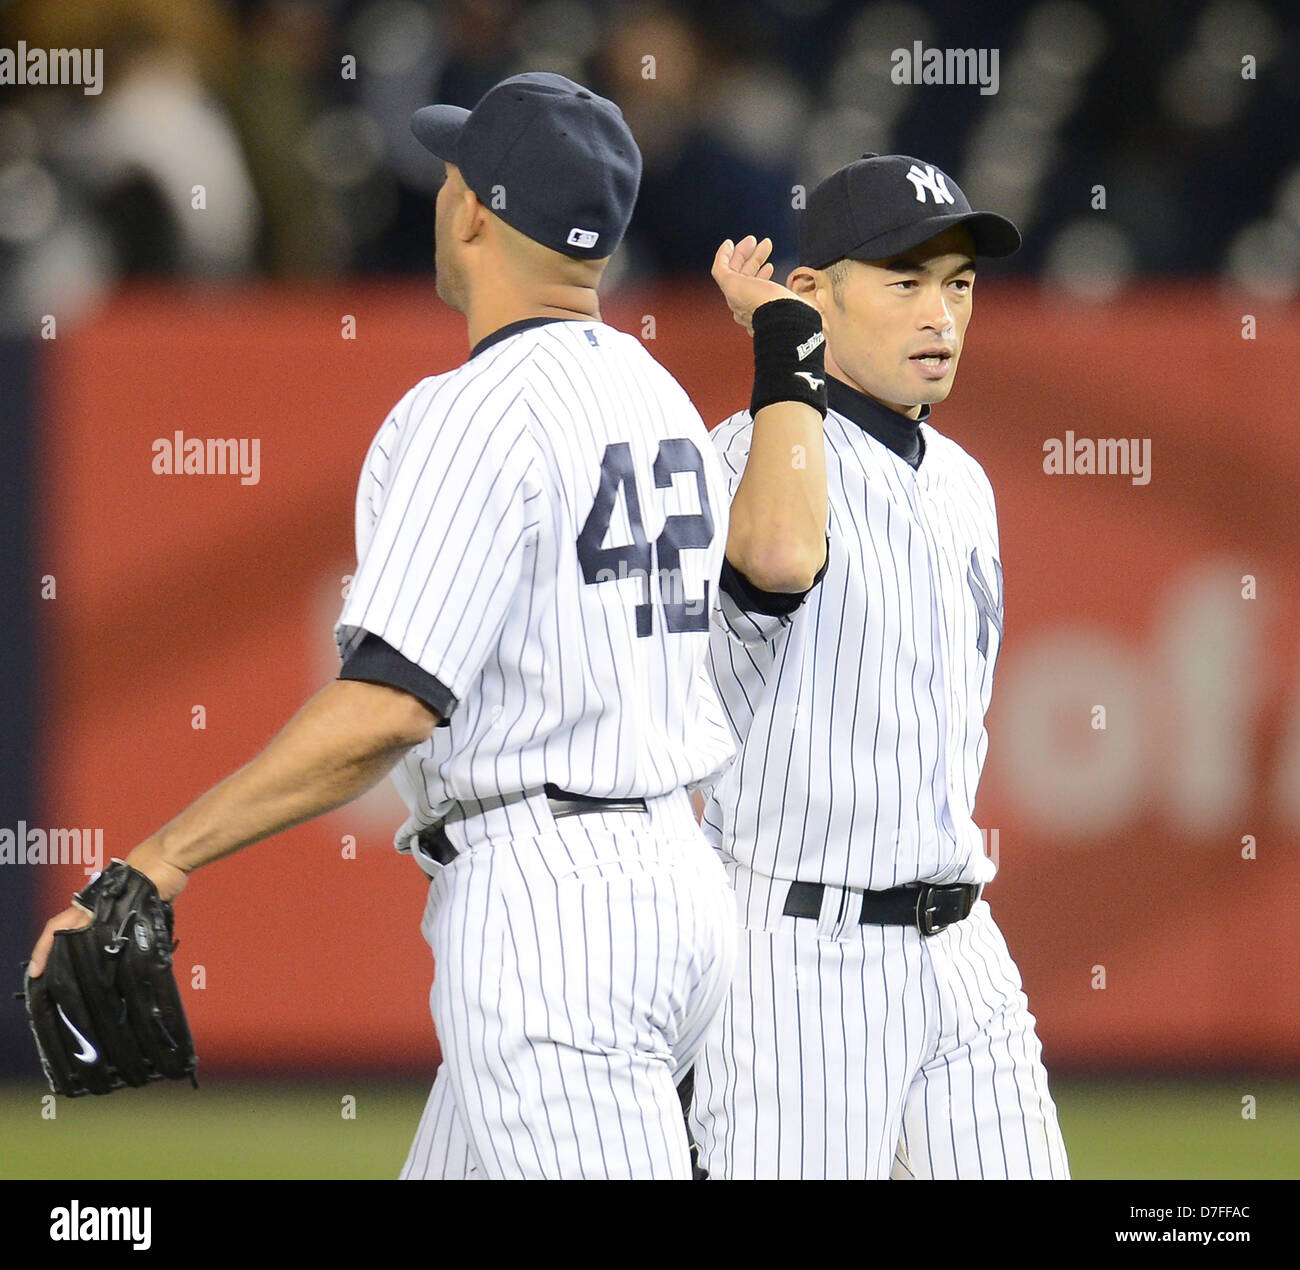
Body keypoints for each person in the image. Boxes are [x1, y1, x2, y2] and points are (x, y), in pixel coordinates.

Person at [30, 71, 742, 1181]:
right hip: (676, 881)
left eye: (455, 170)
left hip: (554, 913)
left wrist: (162, 858)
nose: (443, 190)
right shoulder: (658, 395)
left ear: (474, 212)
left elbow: (388, 705)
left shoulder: (472, 409)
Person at [687, 154, 1071, 1179]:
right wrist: (783, 350)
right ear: (814, 291)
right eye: (904, 282)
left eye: (957, 284)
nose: (938, 314)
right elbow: (772, 560)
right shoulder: (748, 452)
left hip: (960, 941)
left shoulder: (962, 482)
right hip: (801, 953)